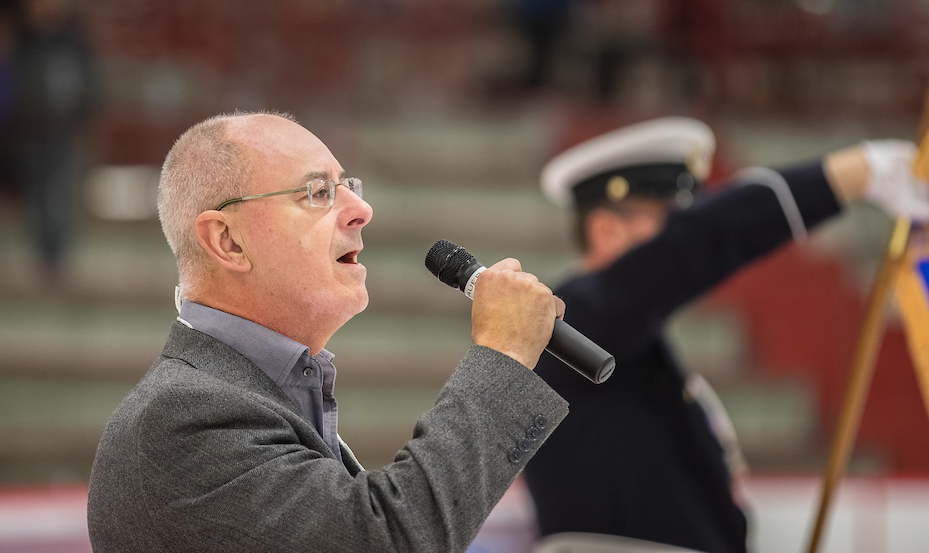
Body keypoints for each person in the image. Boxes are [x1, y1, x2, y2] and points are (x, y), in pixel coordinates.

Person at [88, 111, 570, 553]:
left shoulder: (254, 391)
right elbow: (385, 540)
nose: (362, 208)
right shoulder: (183, 414)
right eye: (318, 192)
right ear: (228, 241)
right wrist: (502, 355)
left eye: (348, 185)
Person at [522, 117, 929, 552]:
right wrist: (852, 174)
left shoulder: (630, 343)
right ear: (606, 230)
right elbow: (705, 239)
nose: (682, 248)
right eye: (669, 223)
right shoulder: (571, 324)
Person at [14, 0, 97, 279]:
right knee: (37, 193)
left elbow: (88, 81)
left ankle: (58, 259)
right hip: (33, 128)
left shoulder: (73, 37)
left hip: (64, 128)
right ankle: (42, 258)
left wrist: (82, 115)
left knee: (61, 192)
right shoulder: (23, 37)